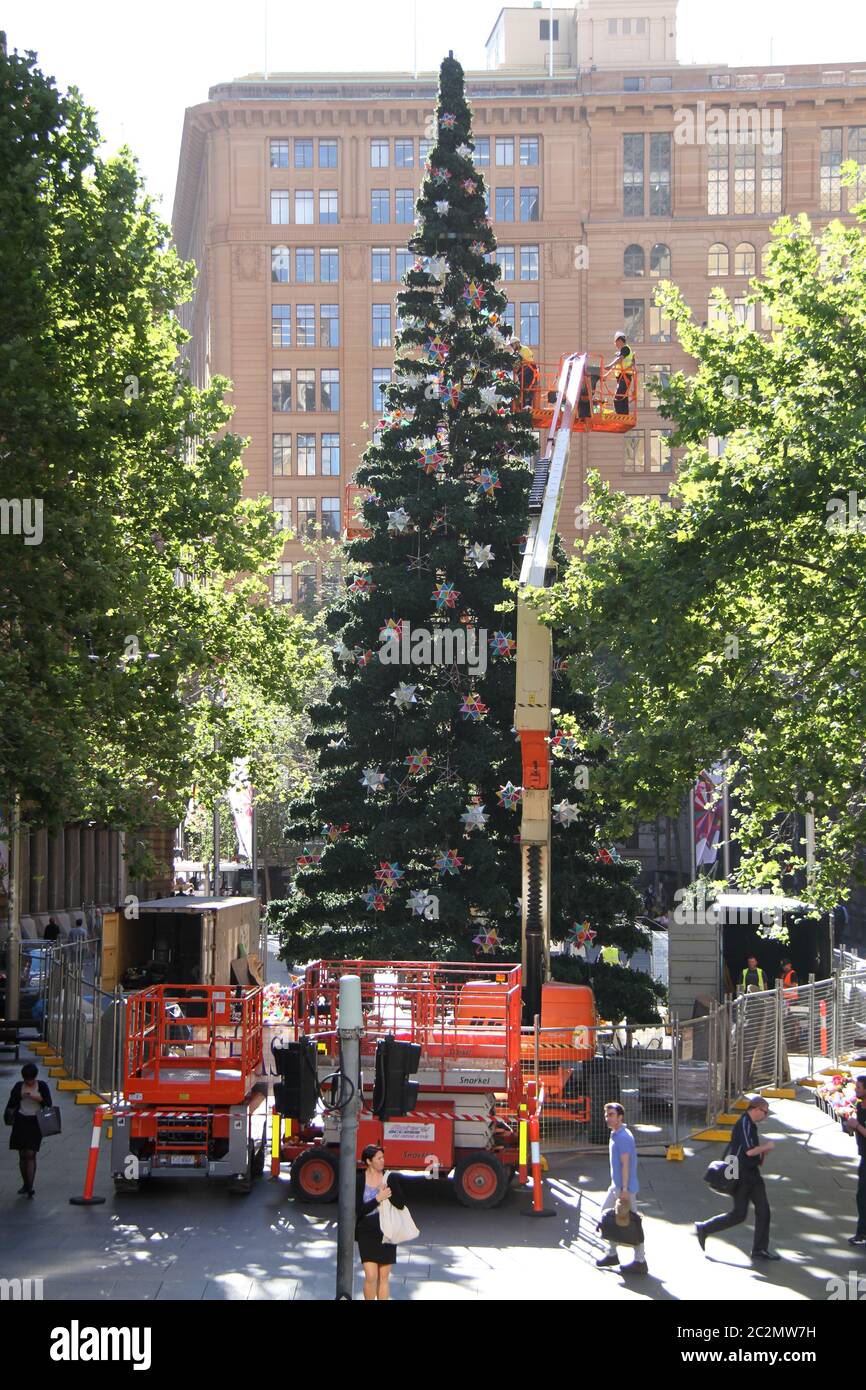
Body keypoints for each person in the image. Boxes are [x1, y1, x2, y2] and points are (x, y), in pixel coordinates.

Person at [696, 1096, 780, 1261]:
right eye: (765, 1112)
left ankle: (760, 1249)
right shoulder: (745, 1124)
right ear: (756, 1109)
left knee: (762, 1210)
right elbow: (749, 1151)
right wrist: (766, 1147)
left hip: (750, 1173)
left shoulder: (748, 1124)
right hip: (743, 1174)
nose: (765, 1116)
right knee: (740, 1213)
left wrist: (761, 1151)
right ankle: (705, 1227)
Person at [596, 1102, 648, 1275]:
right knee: (608, 1216)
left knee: (632, 1222)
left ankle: (640, 1260)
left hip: (624, 1188)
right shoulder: (616, 1134)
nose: (607, 1118)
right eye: (606, 1115)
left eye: (611, 1114)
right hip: (617, 1186)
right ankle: (612, 1253)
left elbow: (625, 1164)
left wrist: (624, 1189)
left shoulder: (623, 1137)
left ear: (620, 1117)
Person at [355, 1143, 407, 1300]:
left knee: (383, 1278)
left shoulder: (390, 1178)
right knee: (371, 1276)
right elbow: (359, 1210)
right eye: (379, 1158)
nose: (383, 1161)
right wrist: (378, 1198)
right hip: (366, 1231)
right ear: (369, 1161)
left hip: (387, 1230)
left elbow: (401, 1204)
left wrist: (388, 1193)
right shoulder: (359, 1180)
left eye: (383, 1157)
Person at [6, 1062, 52, 1198]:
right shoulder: (18, 1087)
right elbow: (11, 1103)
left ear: (35, 1078)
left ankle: (30, 1186)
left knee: (31, 1153)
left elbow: (49, 1104)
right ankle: (25, 1183)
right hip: (21, 1121)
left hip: (35, 1122)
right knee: (22, 1154)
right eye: (27, 1081)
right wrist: (20, 1096)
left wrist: (39, 1099)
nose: (29, 1083)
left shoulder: (42, 1086)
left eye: (31, 1080)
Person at [842, 1075, 866, 1246]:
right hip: (864, 1156)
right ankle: (861, 1232)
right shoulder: (859, 1106)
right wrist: (850, 1127)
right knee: (861, 1196)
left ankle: (861, 1233)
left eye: (859, 1088)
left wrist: (857, 1126)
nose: (856, 1090)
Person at [604, 332, 635, 416]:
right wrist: (606, 375)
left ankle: (620, 416)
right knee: (623, 398)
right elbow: (616, 366)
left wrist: (610, 365)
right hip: (623, 378)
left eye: (616, 342)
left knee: (617, 398)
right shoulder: (622, 352)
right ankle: (624, 416)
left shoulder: (625, 349)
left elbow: (619, 360)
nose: (615, 344)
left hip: (625, 378)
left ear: (620, 340)